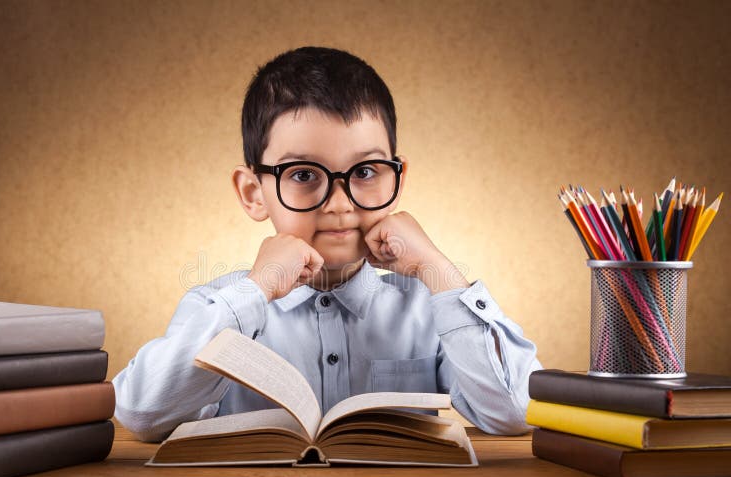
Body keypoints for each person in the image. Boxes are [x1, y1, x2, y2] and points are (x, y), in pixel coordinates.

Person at [112, 46, 542, 442]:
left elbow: (516, 411)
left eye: (366, 172)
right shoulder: (217, 306)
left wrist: (438, 269)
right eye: (303, 175)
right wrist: (255, 290)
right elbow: (143, 415)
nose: (339, 205)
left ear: (397, 177)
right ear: (253, 193)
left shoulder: (428, 309)